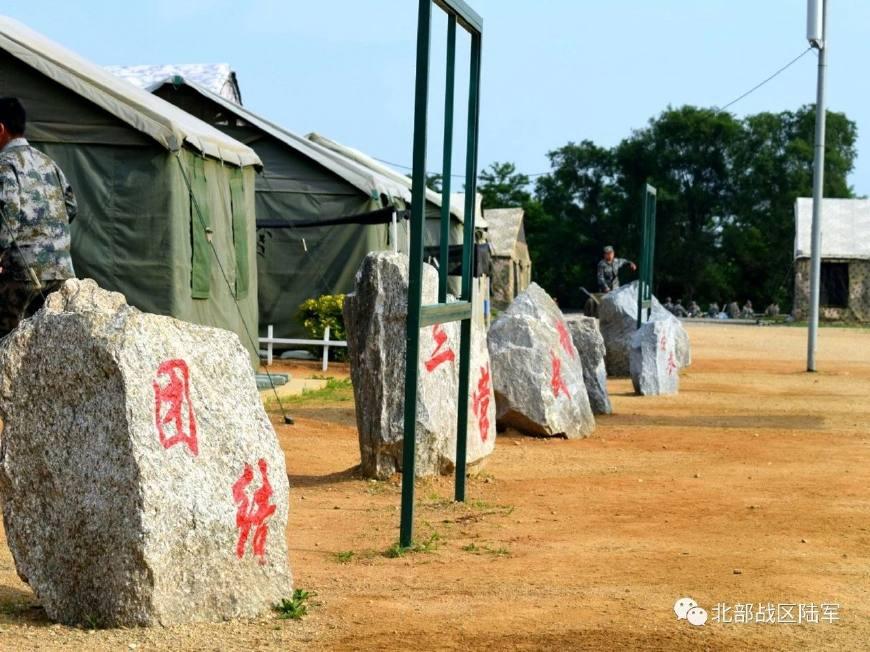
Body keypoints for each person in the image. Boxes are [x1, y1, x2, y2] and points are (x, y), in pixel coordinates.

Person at [0, 97, 77, 337]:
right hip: (62, 271)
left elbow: (7, 215)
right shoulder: (48, 162)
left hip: (21, 273)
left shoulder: (4, 164)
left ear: (0, 129)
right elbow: (71, 206)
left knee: (6, 342)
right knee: (50, 343)